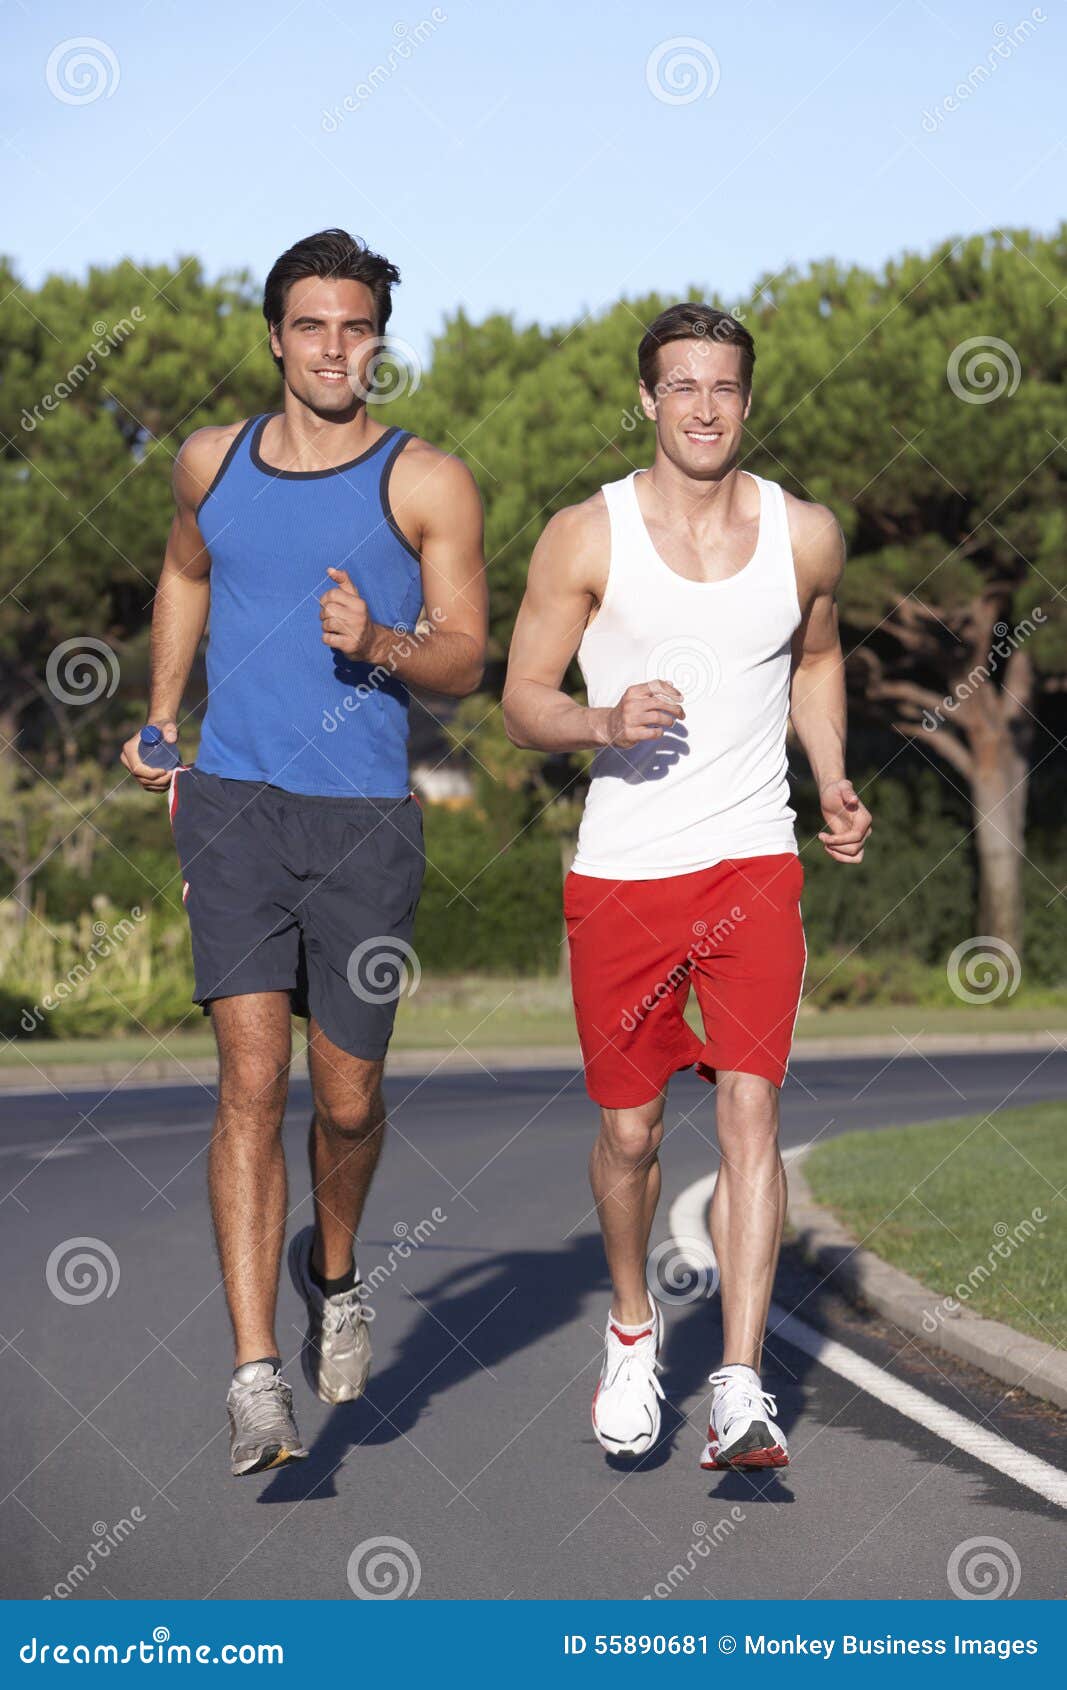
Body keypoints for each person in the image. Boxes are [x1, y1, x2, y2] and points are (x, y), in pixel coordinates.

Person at [121, 229, 487, 1476]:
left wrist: (378, 637)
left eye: (357, 328)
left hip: (365, 826)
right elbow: (184, 574)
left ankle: (332, 1272)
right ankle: (253, 1375)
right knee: (245, 1086)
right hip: (230, 808)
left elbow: (467, 658)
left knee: (346, 1101)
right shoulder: (209, 460)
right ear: (274, 335)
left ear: (378, 343)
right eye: (312, 325)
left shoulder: (424, 479)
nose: (335, 348)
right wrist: (163, 717)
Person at [503, 302, 870, 1470]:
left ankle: (738, 1384)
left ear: (746, 403)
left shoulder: (803, 535)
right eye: (680, 387)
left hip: (752, 856)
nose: (703, 408)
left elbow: (815, 658)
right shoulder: (584, 535)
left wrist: (830, 776)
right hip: (622, 869)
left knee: (750, 1106)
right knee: (627, 1131)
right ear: (647, 400)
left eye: (722, 388)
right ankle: (629, 1332)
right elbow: (520, 699)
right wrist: (602, 718)